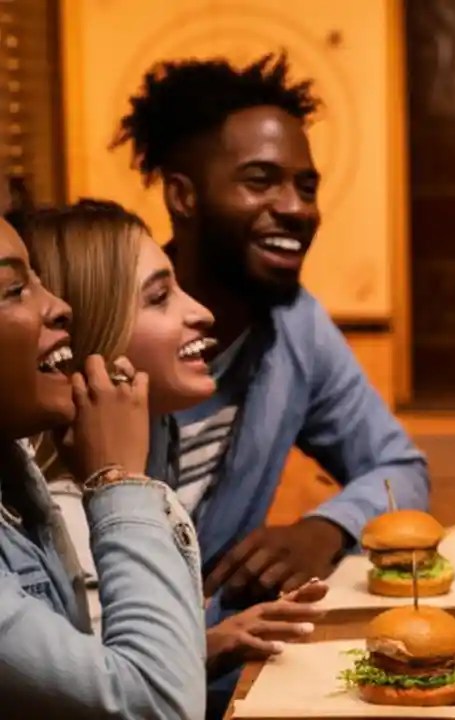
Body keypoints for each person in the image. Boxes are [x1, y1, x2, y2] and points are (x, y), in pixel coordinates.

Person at [111, 52, 428, 611]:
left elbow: (399, 469)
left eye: (307, 188)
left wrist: (325, 529)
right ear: (183, 197)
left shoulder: (295, 326)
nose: (296, 209)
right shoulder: (108, 326)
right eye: (260, 181)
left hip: (239, 663)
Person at [23, 199, 330, 681]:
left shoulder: (157, 436)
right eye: (159, 297)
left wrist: (206, 645)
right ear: (90, 334)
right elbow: (139, 697)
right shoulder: (67, 517)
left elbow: (107, 667)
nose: (203, 313)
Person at [0, 215, 205, 716]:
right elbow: (160, 703)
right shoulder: (73, 491)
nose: (58, 307)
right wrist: (118, 481)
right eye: (11, 289)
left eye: (40, 281)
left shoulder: (15, 483)